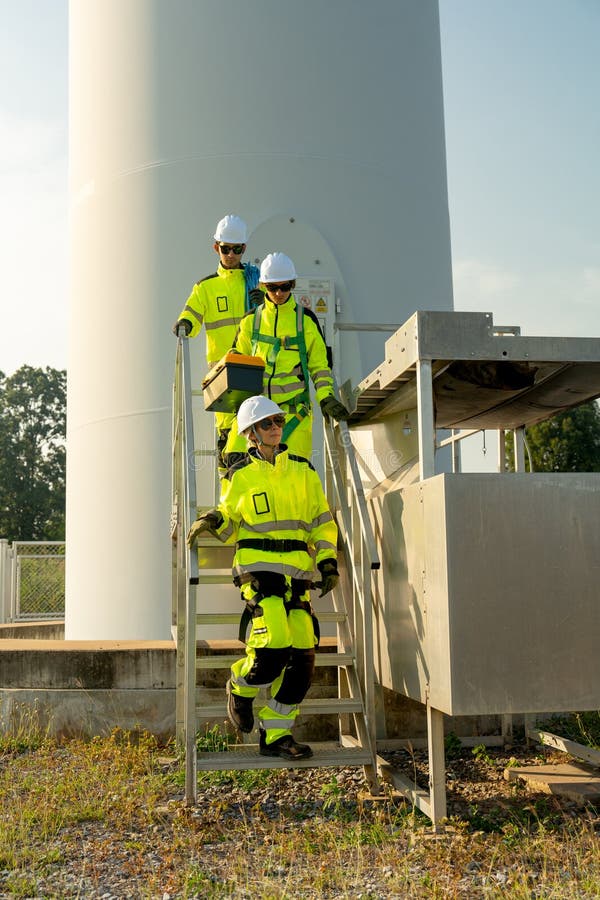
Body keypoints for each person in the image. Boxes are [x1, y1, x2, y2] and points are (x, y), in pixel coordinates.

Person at [187, 395, 340, 760]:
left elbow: (322, 521)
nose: (276, 428)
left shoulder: (304, 471)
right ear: (251, 434)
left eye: (278, 421)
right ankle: (239, 686)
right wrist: (210, 521)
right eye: (267, 424)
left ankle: (276, 735)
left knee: (303, 656)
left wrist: (328, 562)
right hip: (259, 571)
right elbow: (229, 519)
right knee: (273, 647)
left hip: (298, 573)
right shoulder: (241, 476)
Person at [222, 252, 350, 465]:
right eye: (273, 288)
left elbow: (320, 366)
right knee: (234, 466)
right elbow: (235, 374)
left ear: (293, 284)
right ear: (263, 285)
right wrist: (227, 424)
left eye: (285, 286)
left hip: (294, 417)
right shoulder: (250, 322)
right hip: (255, 416)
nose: (279, 293)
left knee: (295, 475)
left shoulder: (305, 320)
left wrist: (325, 397)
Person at [172, 214, 263, 467]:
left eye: (236, 249)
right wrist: (185, 324)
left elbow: (277, 317)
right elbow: (191, 313)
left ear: (244, 249)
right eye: (225, 249)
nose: (231, 254)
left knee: (257, 436)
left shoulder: (259, 284)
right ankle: (229, 500)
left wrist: (263, 304)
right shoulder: (206, 288)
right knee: (228, 443)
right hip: (223, 375)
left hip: (256, 370)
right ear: (216, 248)